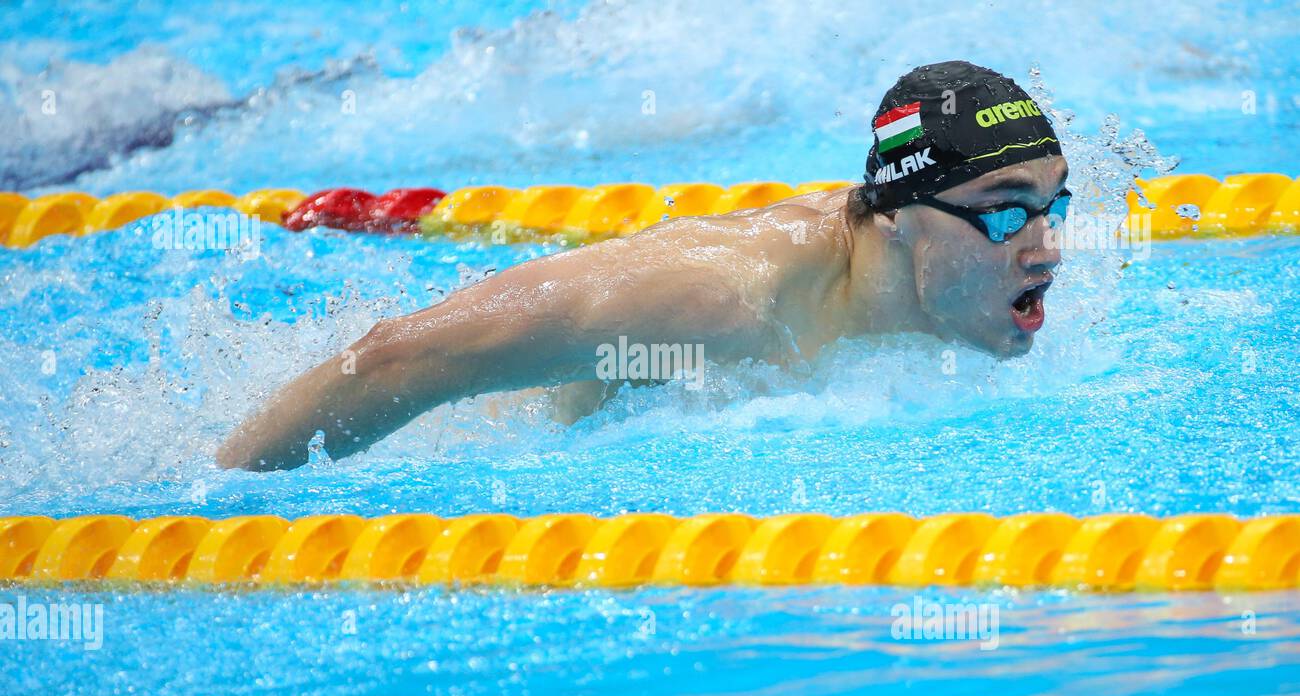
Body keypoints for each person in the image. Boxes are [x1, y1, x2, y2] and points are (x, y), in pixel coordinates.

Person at [217, 60, 1069, 471]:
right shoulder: (715, 302)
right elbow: (399, 354)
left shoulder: (950, 285)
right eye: (1005, 210)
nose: (1047, 247)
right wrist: (225, 504)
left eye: (1055, 203)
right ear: (894, 219)